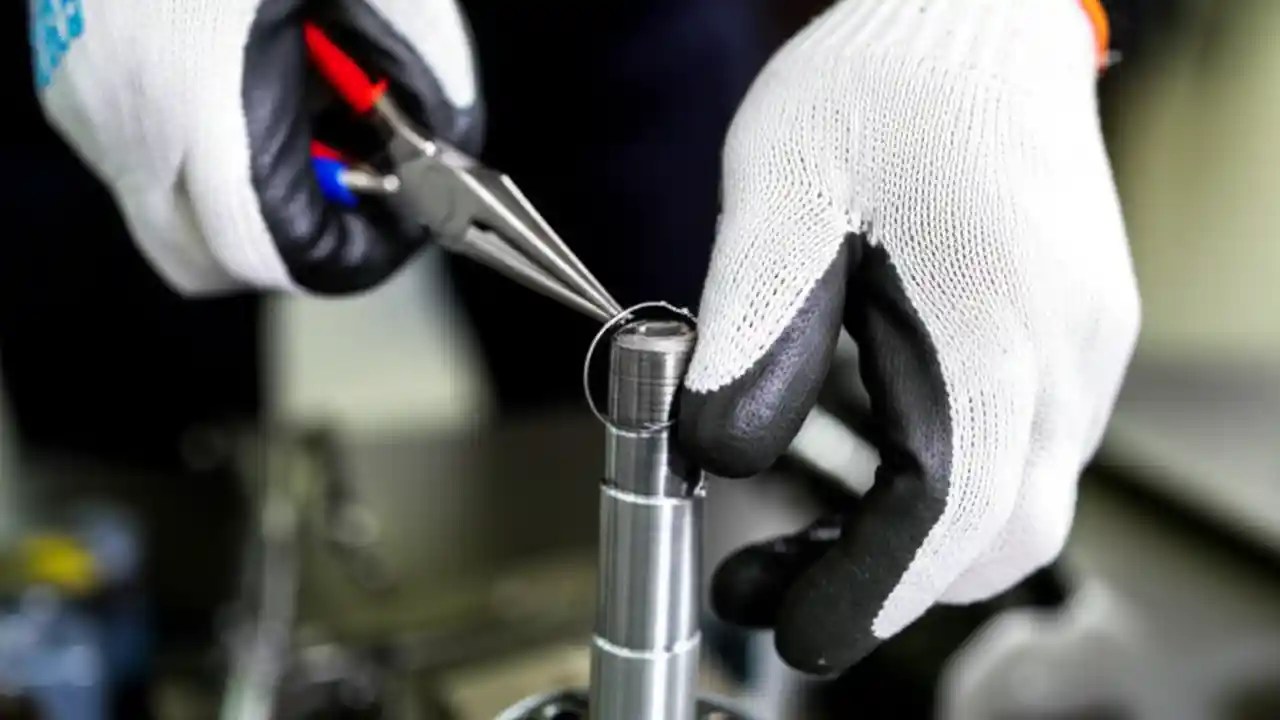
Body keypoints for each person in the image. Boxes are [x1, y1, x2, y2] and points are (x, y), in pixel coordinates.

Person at [32, 0, 1142, 676]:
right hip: (145, 46)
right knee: (130, 532)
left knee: (719, 346)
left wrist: (1005, 11)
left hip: (612, 30)